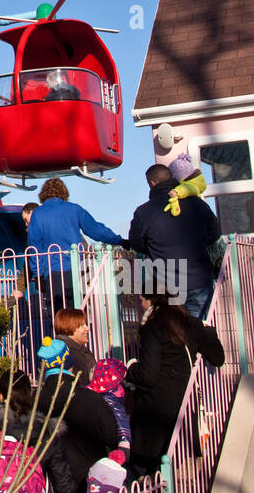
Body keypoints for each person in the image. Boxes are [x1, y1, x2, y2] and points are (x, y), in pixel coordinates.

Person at [127, 293, 225, 476]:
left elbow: (148, 376)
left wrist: (130, 369)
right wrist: (210, 332)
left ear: (151, 300)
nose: (140, 305)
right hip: (185, 402)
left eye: (141, 300)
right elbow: (218, 358)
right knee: (174, 459)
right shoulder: (193, 324)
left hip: (157, 409)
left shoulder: (151, 328)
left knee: (151, 467)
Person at [128, 164, 222, 319]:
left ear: (152, 183)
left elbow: (136, 243)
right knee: (199, 328)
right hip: (199, 279)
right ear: (171, 178)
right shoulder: (197, 204)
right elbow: (214, 234)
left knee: (173, 329)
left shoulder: (143, 212)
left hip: (167, 286)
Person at [34, 338, 120, 493]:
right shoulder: (91, 398)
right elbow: (113, 437)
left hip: (52, 486)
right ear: (69, 362)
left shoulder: (35, 402)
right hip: (94, 483)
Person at [27, 179, 126, 309]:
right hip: (77, 269)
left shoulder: (38, 214)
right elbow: (96, 230)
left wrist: (38, 274)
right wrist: (119, 240)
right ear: (64, 192)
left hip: (52, 271)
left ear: (43, 194)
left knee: (58, 313)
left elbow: (34, 248)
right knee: (78, 310)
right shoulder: (74, 209)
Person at [53, 307, 96, 386]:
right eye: (82, 325)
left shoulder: (80, 350)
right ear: (68, 327)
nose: (87, 328)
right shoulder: (66, 354)